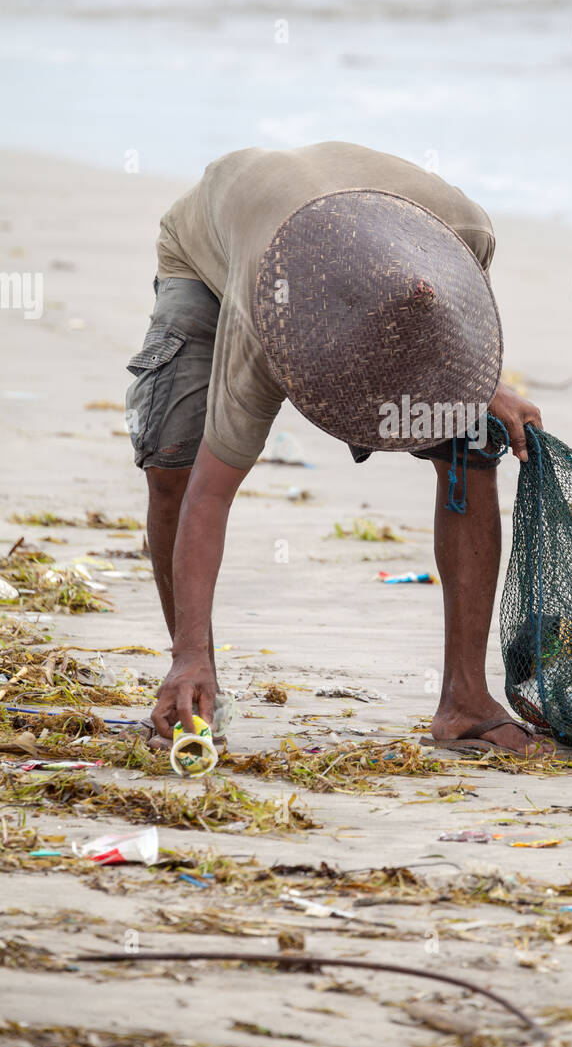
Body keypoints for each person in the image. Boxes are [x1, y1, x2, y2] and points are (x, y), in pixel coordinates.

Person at [126, 142, 549, 758]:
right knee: (174, 463)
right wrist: (189, 654)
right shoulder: (265, 329)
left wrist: (482, 383)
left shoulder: (463, 233)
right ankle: (194, 681)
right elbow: (208, 496)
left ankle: (465, 700)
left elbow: (456, 323)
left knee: (469, 447)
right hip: (213, 255)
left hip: (364, 233)